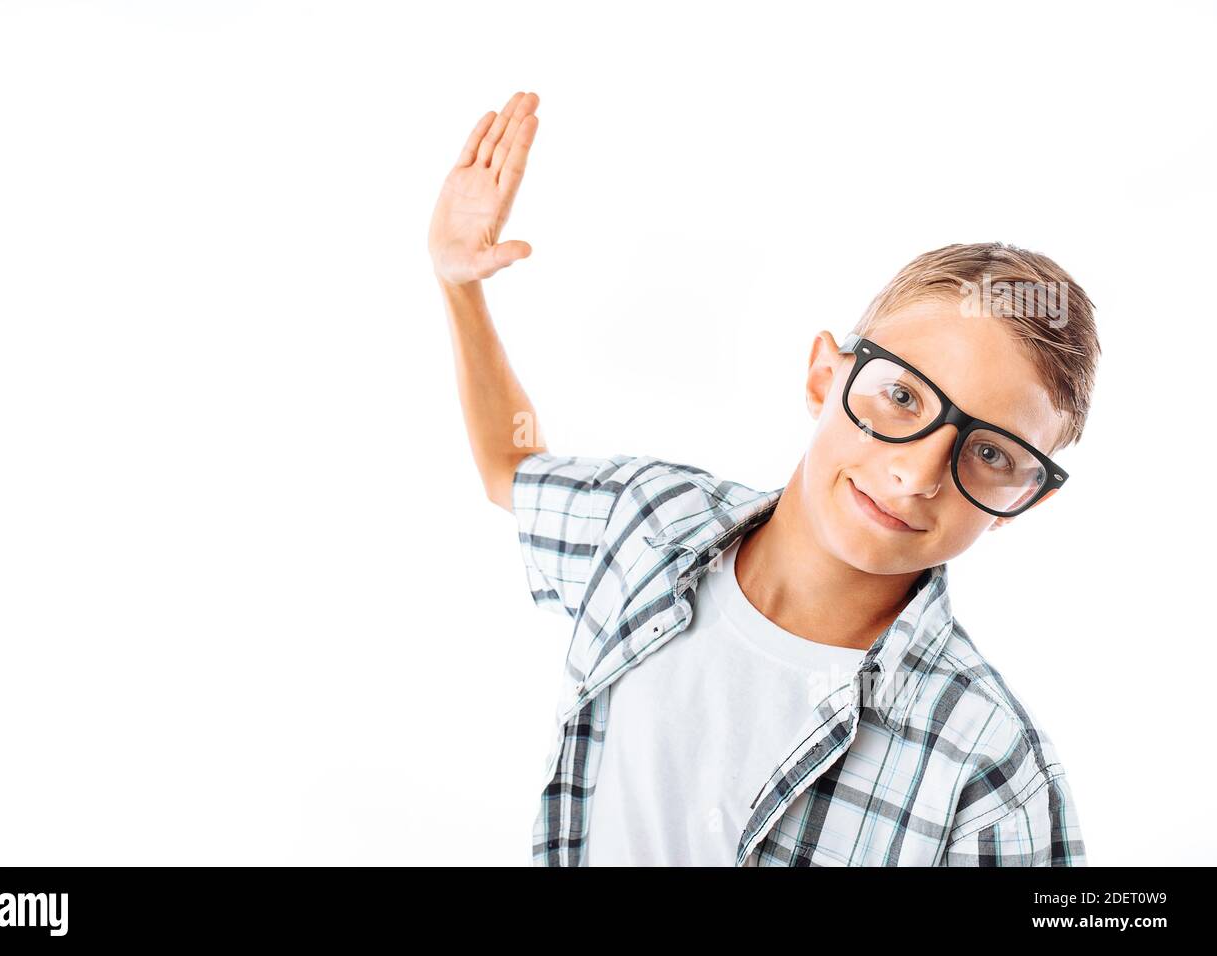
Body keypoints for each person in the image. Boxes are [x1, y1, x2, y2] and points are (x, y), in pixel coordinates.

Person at [430, 90, 1096, 867]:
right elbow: (510, 467)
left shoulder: (990, 770)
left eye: (988, 453)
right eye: (903, 395)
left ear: (1025, 498)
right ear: (825, 374)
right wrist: (459, 287)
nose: (917, 473)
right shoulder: (644, 527)